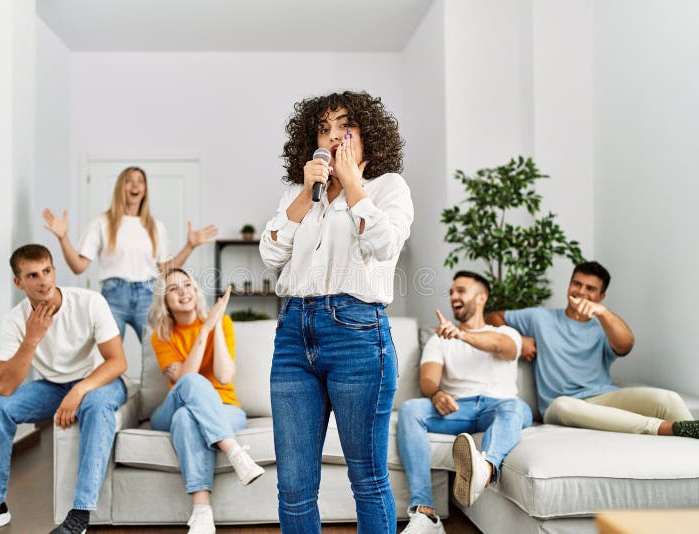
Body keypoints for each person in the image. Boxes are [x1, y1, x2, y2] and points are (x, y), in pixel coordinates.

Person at [260, 91, 413, 534]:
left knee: (367, 478)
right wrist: (307, 197)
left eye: (344, 128)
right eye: (323, 130)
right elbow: (271, 254)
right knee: (292, 487)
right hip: (293, 333)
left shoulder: (388, 188)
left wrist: (352, 185)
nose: (332, 138)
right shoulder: (298, 193)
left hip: (357, 334)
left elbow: (382, 245)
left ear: (368, 135)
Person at [0, 244, 128, 534]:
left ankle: (80, 514)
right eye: (32, 275)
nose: (43, 281)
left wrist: (80, 390)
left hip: (99, 381)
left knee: (94, 404)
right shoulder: (15, 321)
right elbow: (5, 387)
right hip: (53, 387)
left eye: (46, 271)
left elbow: (118, 362)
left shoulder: (90, 302)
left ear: (54, 271)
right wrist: (31, 339)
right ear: (19, 283)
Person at [487, 261, 699, 439]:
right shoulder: (540, 318)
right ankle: (663, 429)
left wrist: (603, 314)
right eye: (577, 284)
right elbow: (492, 317)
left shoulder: (604, 328)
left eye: (591, 289)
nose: (581, 292)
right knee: (563, 404)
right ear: (569, 285)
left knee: (668, 399)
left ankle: (692, 442)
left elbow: (626, 345)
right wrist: (518, 338)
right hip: (561, 405)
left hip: (604, 397)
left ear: (601, 296)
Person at [397, 272, 531, 534]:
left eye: (461, 290)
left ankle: (485, 469)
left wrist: (461, 335)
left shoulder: (505, 332)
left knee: (515, 406)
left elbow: (499, 346)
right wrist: (436, 394)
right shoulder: (439, 339)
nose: (453, 296)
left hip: (500, 406)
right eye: (451, 292)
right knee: (411, 409)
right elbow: (428, 378)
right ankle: (426, 514)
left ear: (482, 297)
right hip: (460, 409)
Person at [148, 268, 265, 534]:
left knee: (186, 419)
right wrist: (205, 330)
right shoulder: (161, 335)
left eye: (187, 285)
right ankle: (234, 451)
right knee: (190, 383)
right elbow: (186, 379)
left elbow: (224, 376)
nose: (183, 293)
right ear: (164, 301)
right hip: (172, 405)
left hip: (224, 409)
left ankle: (201, 513)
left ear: (196, 290)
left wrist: (215, 325)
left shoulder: (221, 323)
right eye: (173, 289)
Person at [43, 165, 217, 341]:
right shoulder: (102, 223)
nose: (135, 185)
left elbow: (166, 269)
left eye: (140, 181)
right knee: (109, 354)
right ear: (120, 187)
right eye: (129, 181)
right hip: (114, 295)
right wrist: (63, 238)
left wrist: (190, 246)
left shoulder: (155, 227)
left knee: (157, 351)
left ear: (145, 190)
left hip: (148, 295)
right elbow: (78, 267)